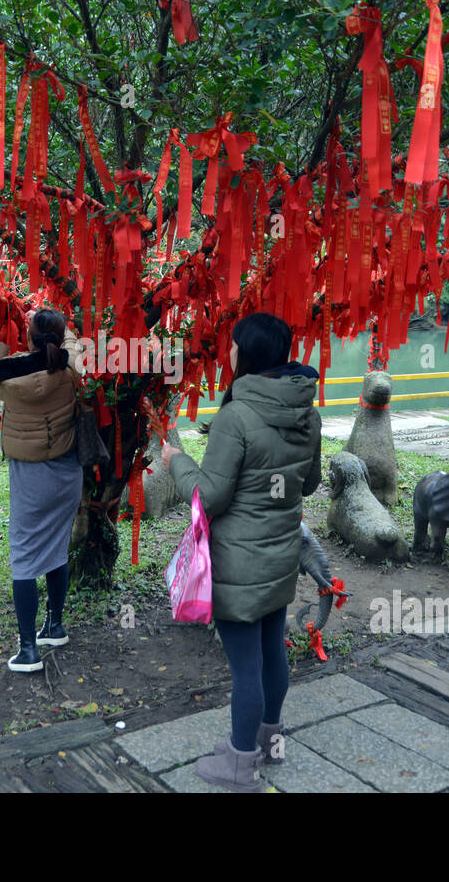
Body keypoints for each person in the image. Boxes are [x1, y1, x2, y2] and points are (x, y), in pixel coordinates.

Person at [161, 312, 321, 792]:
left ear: (246, 353)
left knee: (245, 665)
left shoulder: (238, 414)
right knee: (272, 649)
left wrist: (177, 462)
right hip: (279, 557)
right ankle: (270, 742)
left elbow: (209, 496)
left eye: (232, 345)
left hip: (238, 562)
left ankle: (238, 762)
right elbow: (308, 484)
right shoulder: (306, 411)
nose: (227, 352)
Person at [0, 308, 86, 673]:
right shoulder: (70, 366)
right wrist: (61, 330)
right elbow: (72, 344)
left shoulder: (7, 373)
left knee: (23, 556)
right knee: (56, 547)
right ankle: (54, 626)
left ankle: (28, 650)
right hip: (68, 474)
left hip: (31, 476)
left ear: (29, 338)